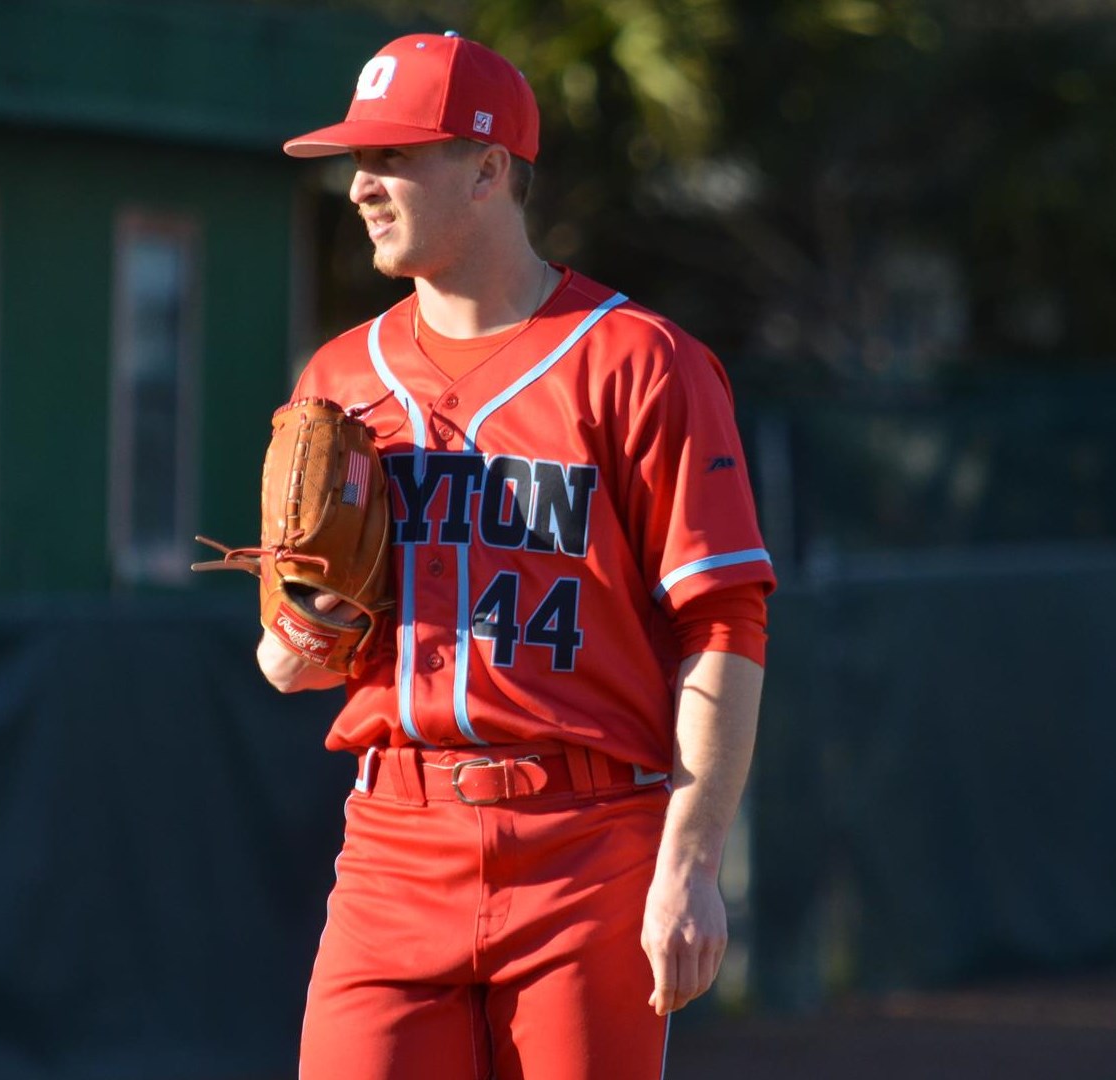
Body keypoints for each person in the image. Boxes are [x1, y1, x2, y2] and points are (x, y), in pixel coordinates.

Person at [264, 30, 775, 1080]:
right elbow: (290, 664)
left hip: (587, 842)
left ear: (488, 169)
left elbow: (723, 619)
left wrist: (691, 860)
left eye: (394, 157)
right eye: (358, 161)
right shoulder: (340, 377)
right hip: (394, 840)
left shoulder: (641, 362)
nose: (360, 186)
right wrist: (314, 617)